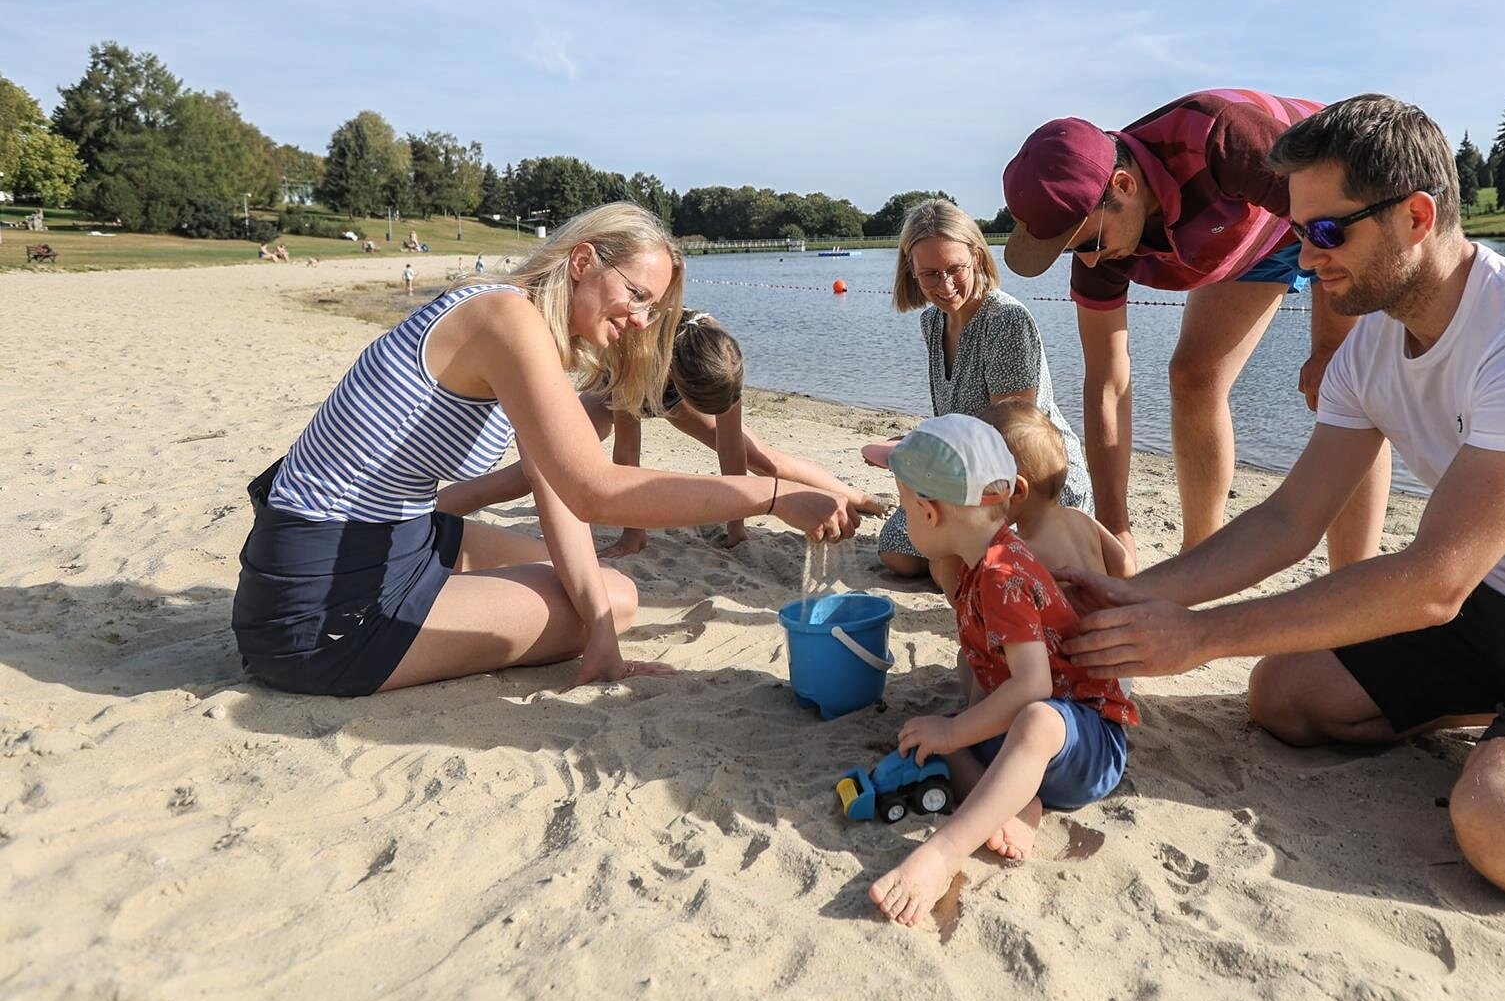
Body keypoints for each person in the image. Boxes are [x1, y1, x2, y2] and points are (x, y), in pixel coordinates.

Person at [1059, 94, 1505, 896]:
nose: (1306, 260)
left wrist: (1199, 637)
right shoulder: (1370, 352)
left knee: (1503, 828)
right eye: (1295, 232)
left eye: (1327, 232)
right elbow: (1288, 520)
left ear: (1417, 215)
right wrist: (1132, 597)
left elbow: (1434, 583)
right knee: (1284, 697)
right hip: (1504, 607)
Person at [232, 201, 865, 698]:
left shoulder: (518, 325)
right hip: (323, 603)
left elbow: (557, 488)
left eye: (656, 308)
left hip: (389, 536)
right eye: (639, 296)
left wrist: (599, 634)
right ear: (584, 260)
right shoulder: (506, 322)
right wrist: (772, 495)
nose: (644, 322)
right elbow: (596, 488)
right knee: (611, 596)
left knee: (610, 598)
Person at [1000, 90, 1367, 561]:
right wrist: (1116, 527)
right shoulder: (1102, 249)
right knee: (1193, 379)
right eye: (1073, 249)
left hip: (1338, 207)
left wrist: (1330, 346)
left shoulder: (1223, 139)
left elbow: (1338, 227)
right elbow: (1108, 385)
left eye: (1087, 240)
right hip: (1249, 238)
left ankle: (1351, 583)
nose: (1087, 259)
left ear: (1123, 186)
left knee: (1346, 385)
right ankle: (1202, 554)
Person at [867, 416, 1138, 927]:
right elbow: (982, 670)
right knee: (942, 736)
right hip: (1030, 739)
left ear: (928, 511)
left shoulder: (1002, 573)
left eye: (906, 509)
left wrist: (953, 731)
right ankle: (1018, 802)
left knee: (1022, 720)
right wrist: (951, 731)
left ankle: (944, 855)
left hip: (1087, 740)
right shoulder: (974, 564)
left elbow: (1034, 686)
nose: (905, 519)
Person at [440, 309, 883, 552]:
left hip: (676, 392)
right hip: (615, 393)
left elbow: (730, 449)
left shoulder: (719, 357)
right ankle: (438, 506)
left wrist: (738, 528)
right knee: (536, 470)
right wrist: (635, 534)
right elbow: (626, 458)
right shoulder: (640, 358)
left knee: (761, 457)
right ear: (678, 378)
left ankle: (856, 496)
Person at [869, 199, 1091, 581]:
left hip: (1030, 484)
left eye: (955, 269)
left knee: (940, 557)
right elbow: (956, 419)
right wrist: (916, 442)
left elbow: (1012, 440)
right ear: (912, 271)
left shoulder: (1005, 321)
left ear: (976, 256)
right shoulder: (932, 323)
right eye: (930, 274)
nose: (946, 285)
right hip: (970, 470)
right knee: (897, 551)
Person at [979, 399, 1134, 588]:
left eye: (981, 486)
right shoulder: (1083, 518)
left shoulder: (1025, 552)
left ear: (1017, 490)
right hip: (1107, 613)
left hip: (1070, 619)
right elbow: (1125, 566)